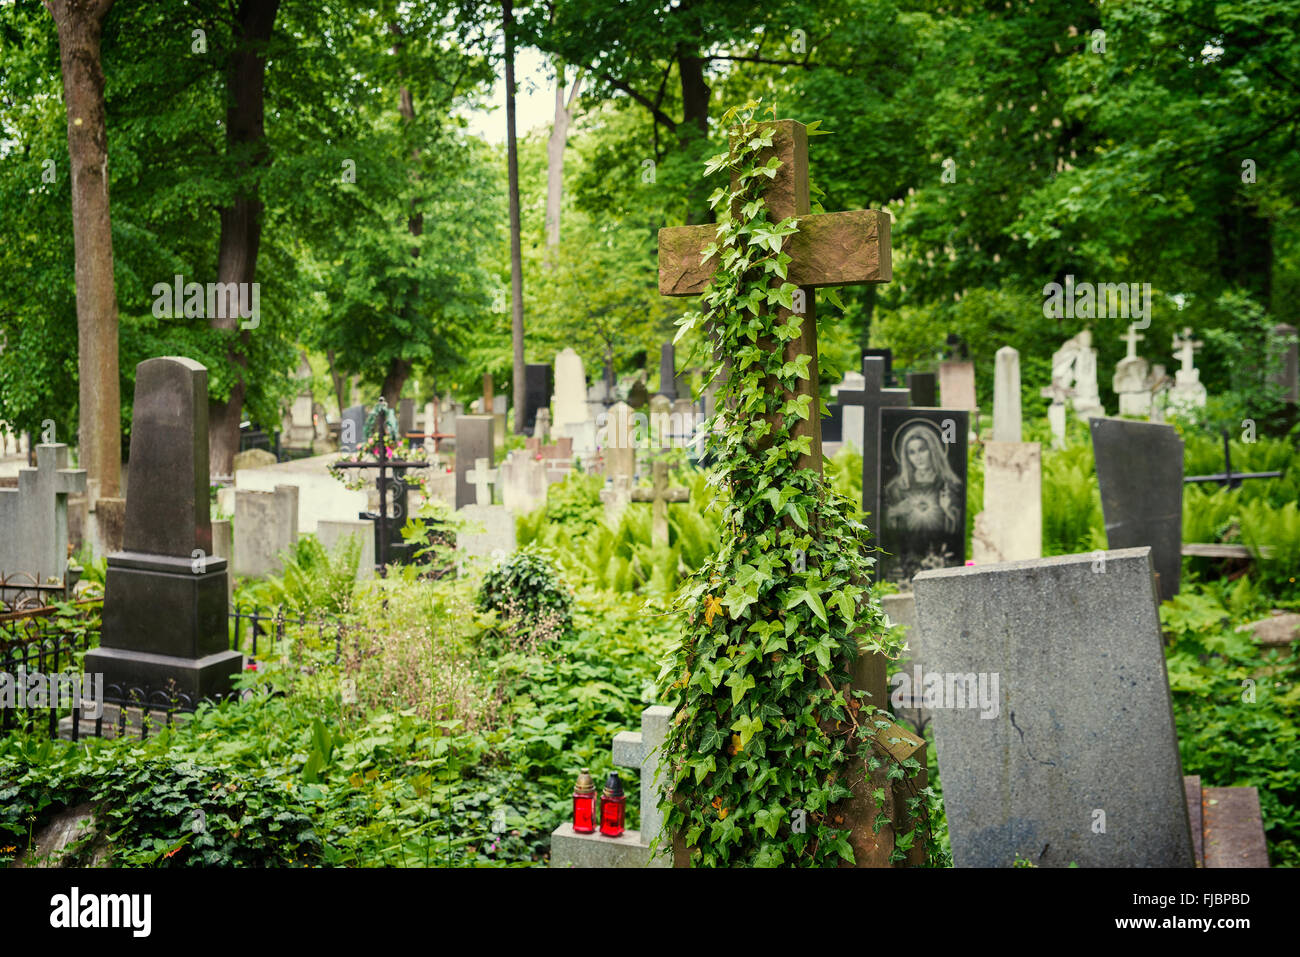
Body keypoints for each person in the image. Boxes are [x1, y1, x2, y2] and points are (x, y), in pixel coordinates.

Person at [883, 422, 962, 536]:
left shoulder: (949, 485)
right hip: (907, 548)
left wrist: (949, 511)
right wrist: (896, 511)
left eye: (922, 450)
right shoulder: (897, 487)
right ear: (906, 457)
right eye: (912, 452)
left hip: (941, 547)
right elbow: (885, 526)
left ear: (933, 451)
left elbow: (959, 528)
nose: (918, 457)